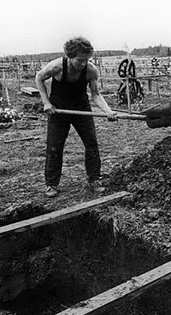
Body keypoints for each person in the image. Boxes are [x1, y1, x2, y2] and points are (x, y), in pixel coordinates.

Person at [35, 36, 118, 198]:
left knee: (91, 143)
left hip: (81, 108)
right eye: (79, 60)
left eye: (86, 60)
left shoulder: (90, 70)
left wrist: (107, 110)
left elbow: (96, 94)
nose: (82, 64)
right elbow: (39, 77)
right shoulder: (57, 66)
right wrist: (46, 103)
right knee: (54, 147)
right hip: (58, 110)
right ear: (69, 56)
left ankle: (94, 179)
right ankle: (51, 184)